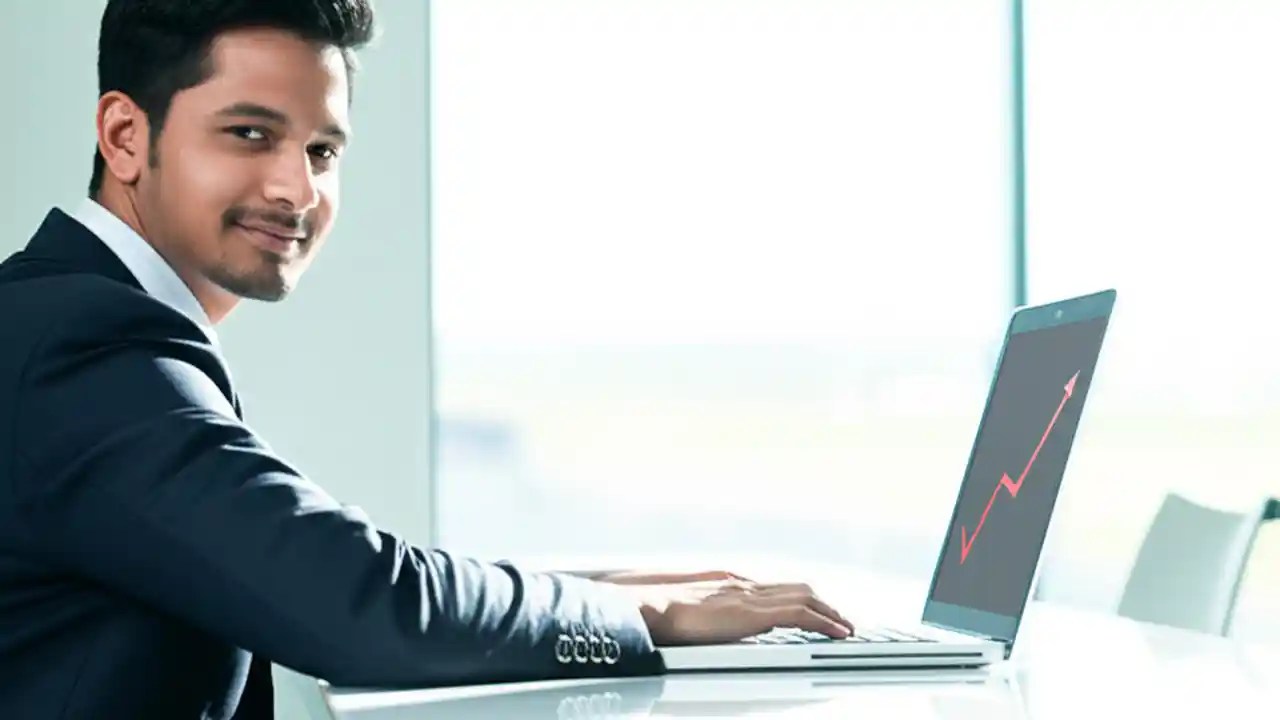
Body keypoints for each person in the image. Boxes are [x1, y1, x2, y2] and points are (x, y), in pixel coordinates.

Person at [0, 1, 854, 717]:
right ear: (124, 136)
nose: (298, 189)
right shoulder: (83, 340)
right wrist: (640, 612)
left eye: (322, 151)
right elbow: (359, 602)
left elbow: (311, 565)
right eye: (250, 134)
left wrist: (601, 589)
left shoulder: (66, 319)